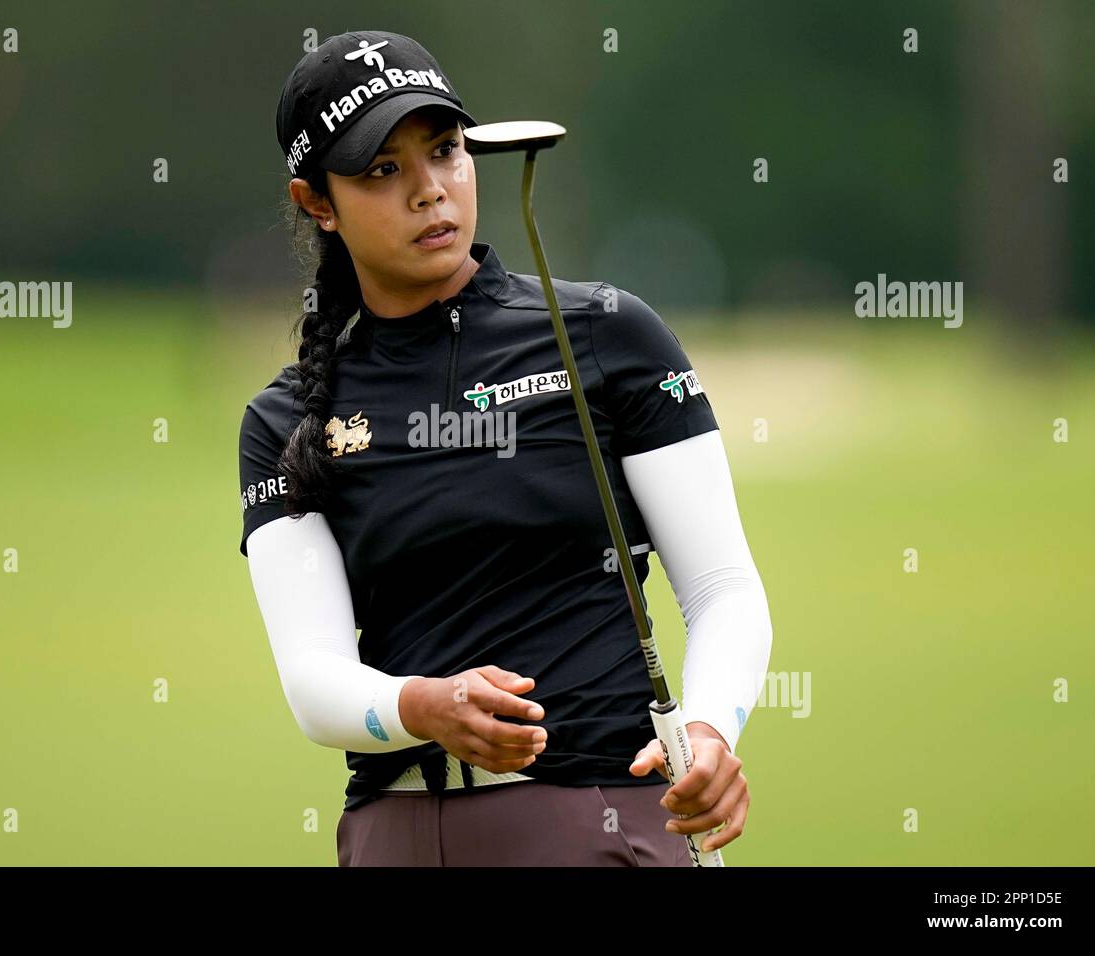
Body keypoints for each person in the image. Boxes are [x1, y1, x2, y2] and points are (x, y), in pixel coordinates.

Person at [240, 29, 773, 866]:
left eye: (446, 151)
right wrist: (423, 706)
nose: (430, 191)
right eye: (383, 170)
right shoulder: (287, 418)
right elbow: (314, 681)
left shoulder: (608, 334)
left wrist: (707, 728)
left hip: (598, 818)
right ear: (317, 202)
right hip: (393, 832)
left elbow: (722, 587)